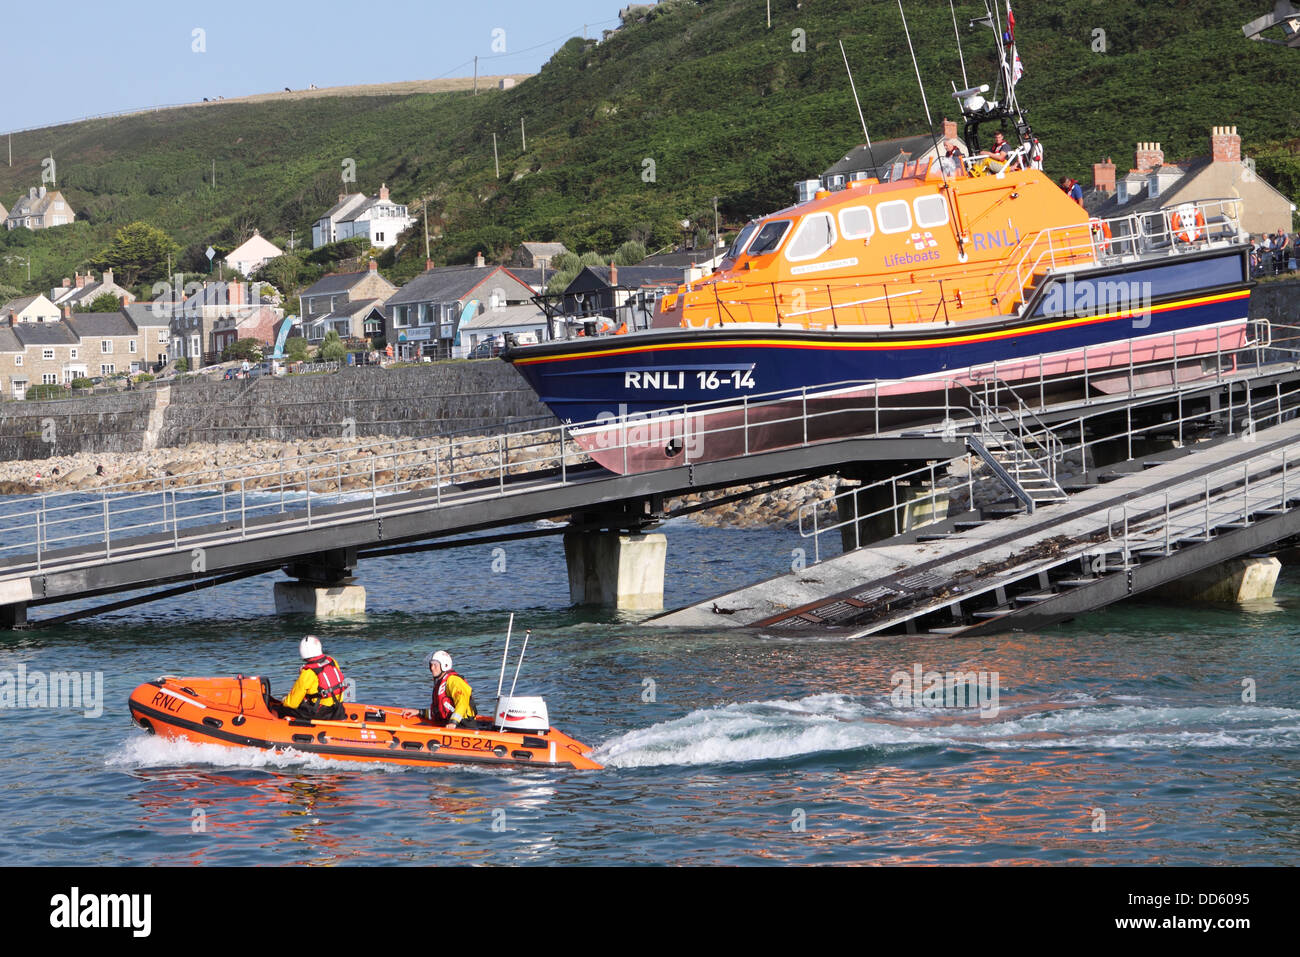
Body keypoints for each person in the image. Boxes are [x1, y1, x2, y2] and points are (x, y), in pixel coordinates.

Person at [278, 636, 348, 720]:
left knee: (283, 708)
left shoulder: (308, 673)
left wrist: (284, 700)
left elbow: (292, 703)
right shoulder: (332, 661)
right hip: (338, 709)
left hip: (321, 713)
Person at [413, 651, 476, 728]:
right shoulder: (440, 683)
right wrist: (419, 712)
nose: (432, 668)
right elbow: (439, 712)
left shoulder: (454, 681)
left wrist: (453, 722)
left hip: (464, 726)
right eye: (431, 665)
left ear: (445, 665)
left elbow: (462, 703)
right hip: (449, 723)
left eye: (435, 665)